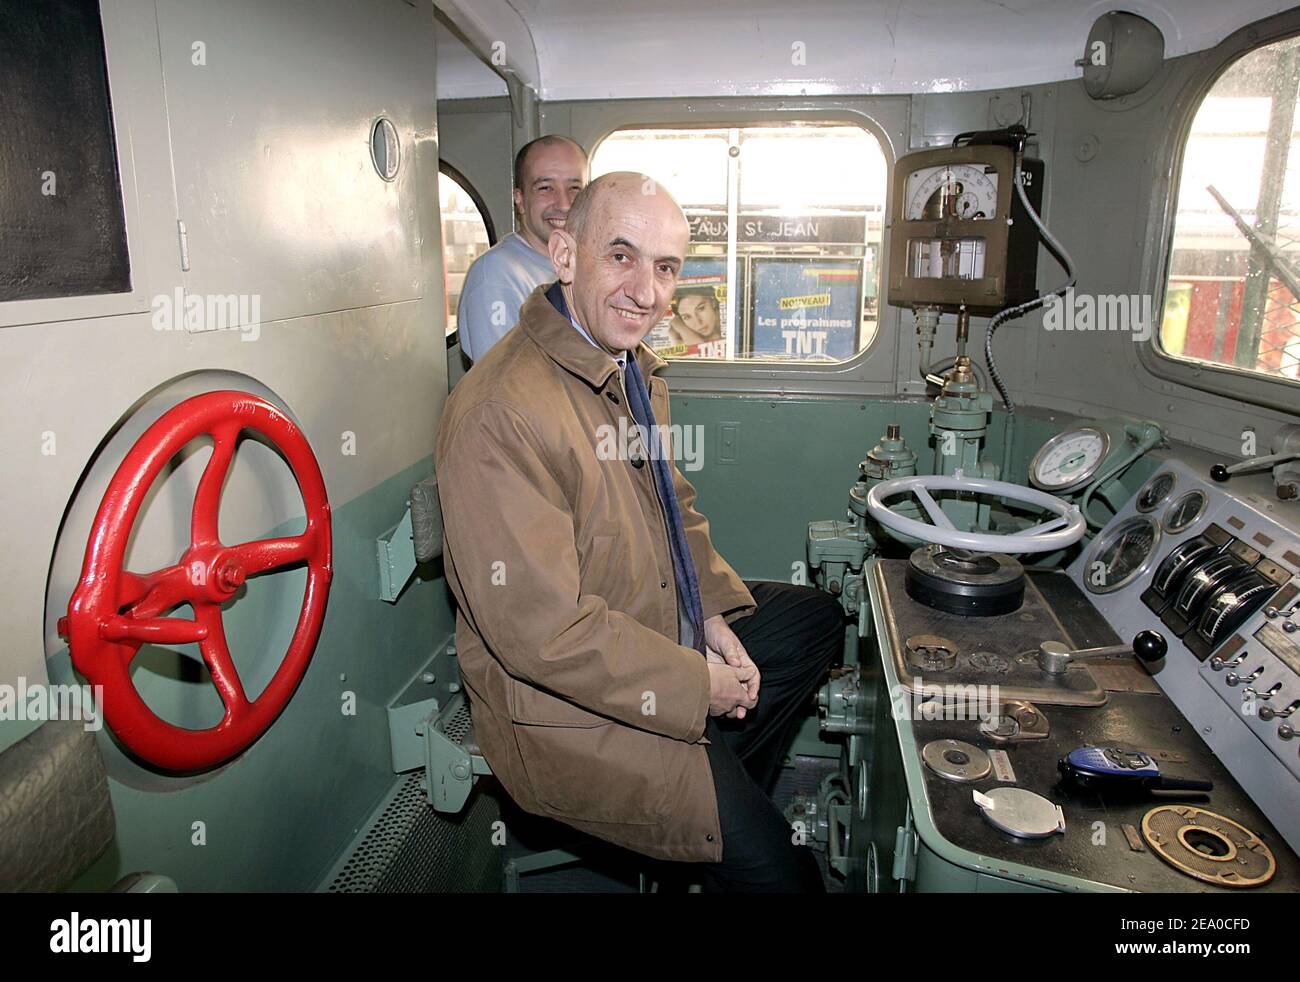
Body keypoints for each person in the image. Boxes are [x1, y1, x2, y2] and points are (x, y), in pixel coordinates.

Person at [436, 172, 842, 892]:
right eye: (621, 257)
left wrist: (710, 612)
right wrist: (697, 687)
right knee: (787, 878)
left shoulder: (624, 368)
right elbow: (544, 637)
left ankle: (719, 790)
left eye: (665, 268)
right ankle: (720, 814)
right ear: (565, 257)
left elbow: (671, 502)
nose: (647, 293)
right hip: (562, 711)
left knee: (814, 621)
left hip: (649, 629)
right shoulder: (503, 412)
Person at [455, 135, 587, 362]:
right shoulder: (496, 275)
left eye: (574, 188)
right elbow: (503, 386)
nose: (564, 204)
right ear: (519, 199)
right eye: (545, 188)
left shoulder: (581, 265)